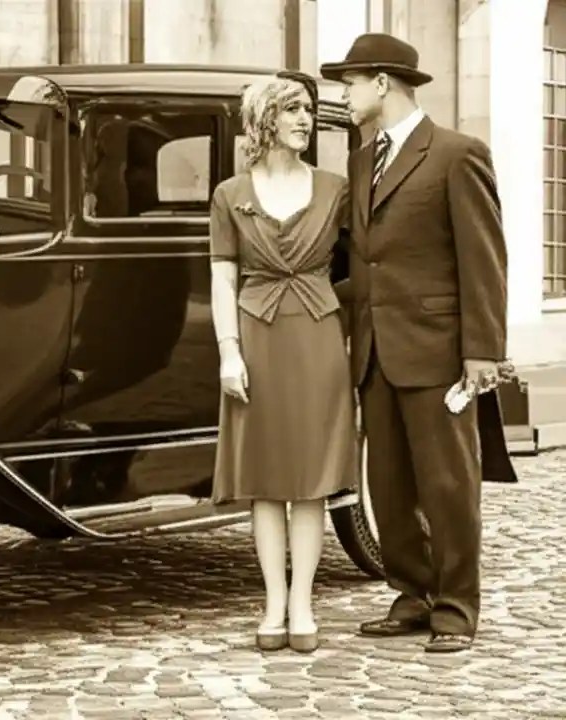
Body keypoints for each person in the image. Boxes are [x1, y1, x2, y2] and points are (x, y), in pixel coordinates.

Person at [320, 33, 509, 653]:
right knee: (390, 486)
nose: (342, 94)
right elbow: (365, 262)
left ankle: (456, 607)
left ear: (382, 83)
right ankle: (413, 592)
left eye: (349, 82)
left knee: (448, 485)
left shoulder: (456, 154)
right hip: (375, 351)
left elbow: (484, 260)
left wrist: (482, 353)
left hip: (438, 350)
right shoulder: (358, 159)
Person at [209, 75, 359, 654]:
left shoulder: (334, 189)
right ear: (265, 119)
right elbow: (222, 276)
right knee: (266, 482)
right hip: (255, 338)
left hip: (318, 338)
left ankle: (303, 602)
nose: (306, 118)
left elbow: (369, 262)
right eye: (294, 108)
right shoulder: (229, 194)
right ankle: (273, 601)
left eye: (309, 109)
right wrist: (228, 352)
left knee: (312, 480)